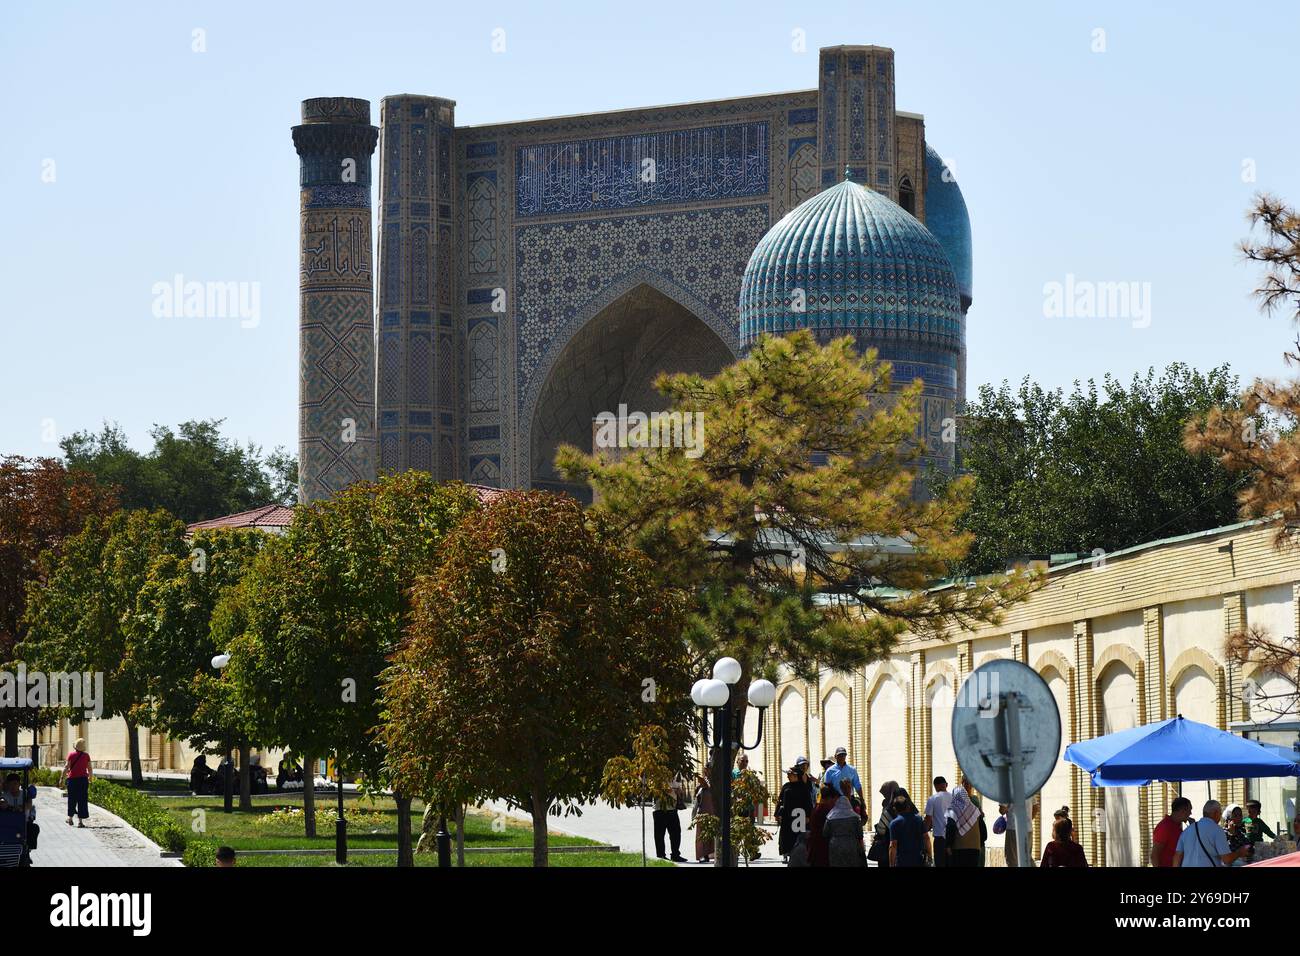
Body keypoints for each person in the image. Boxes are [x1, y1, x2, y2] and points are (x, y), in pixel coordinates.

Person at [1173, 800, 1250, 867]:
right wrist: (1240, 852)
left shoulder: (1187, 831)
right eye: (1220, 814)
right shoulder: (1217, 830)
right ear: (1215, 813)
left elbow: (1177, 857)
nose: (1220, 817)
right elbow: (1227, 859)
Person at [775, 765, 815, 862]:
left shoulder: (804, 788)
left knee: (798, 837)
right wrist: (777, 813)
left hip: (799, 816)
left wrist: (808, 816)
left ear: (796, 776)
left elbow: (808, 803)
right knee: (785, 836)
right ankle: (786, 854)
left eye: (790, 774)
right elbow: (780, 801)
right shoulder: (786, 786)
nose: (788, 776)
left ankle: (798, 855)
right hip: (786, 816)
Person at [945, 777, 984, 867]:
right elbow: (983, 832)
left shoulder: (953, 811)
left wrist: (948, 845)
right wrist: (978, 843)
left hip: (959, 849)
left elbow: (950, 828)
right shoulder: (975, 810)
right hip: (975, 849)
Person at [823, 791, 867, 867]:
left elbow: (825, 833)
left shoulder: (830, 817)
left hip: (835, 846)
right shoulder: (855, 817)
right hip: (851, 845)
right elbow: (860, 834)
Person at [889, 789, 929, 867]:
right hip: (918, 859)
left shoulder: (894, 823)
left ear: (895, 809)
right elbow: (926, 838)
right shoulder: (918, 819)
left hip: (902, 861)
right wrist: (930, 856)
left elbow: (893, 845)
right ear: (908, 806)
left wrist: (891, 864)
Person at [652, 775, 687, 863]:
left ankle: (675, 855)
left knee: (676, 833)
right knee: (660, 834)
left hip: (672, 808)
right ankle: (661, 855)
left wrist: (678, 790)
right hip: (660, 808)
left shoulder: (674, 775)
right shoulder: (657, 773)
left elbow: (677, 788)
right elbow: (657, 788)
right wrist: (672, 790)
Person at [1152, 797, 1192, 868]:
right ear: (1182, 811)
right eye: (1189, 810)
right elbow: (1154, 855)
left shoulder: (1177, 826)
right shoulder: (1165, 827)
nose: (1190, 813)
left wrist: (1193, 827)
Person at [60, 737, 92, 827]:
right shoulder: (86, 756)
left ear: (75, 747)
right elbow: (89, 768)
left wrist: (61, 778)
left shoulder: (71, 755)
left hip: (72, 780)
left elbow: (66, 767)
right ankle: (80, 822)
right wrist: (90, 778)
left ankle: (70, 819)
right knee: (82, 800)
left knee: (72, 799)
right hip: (83, 780)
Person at [868, 779, 899, 866]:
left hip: (888, 845)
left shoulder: (888, 809)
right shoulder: (907, 806)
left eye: (885, 794)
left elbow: (881, 830)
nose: (885, 797)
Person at [924, 776, 953, 867]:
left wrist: (924, 832)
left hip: (940, 838)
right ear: (946, 785)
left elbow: (928, 819)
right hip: (953, 838)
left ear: (935, 786)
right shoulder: (954, 798)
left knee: (940, 863)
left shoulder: (932, 799)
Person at [807, 784, 837, 867]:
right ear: (829, 798)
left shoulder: (816, 808)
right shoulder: (827, 810)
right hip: (823, 847)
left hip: (814, 845)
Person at [692, 765, 715, 863]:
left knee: (711, 835)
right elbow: (696, 801)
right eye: (706, 770)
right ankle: (702, 855)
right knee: (701, 835)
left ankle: (709, 854)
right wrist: (693, 816)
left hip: (713, 812)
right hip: (702, 812)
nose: (708, 771)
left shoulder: (715, 783)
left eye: (709, 770)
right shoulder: (700, 785)